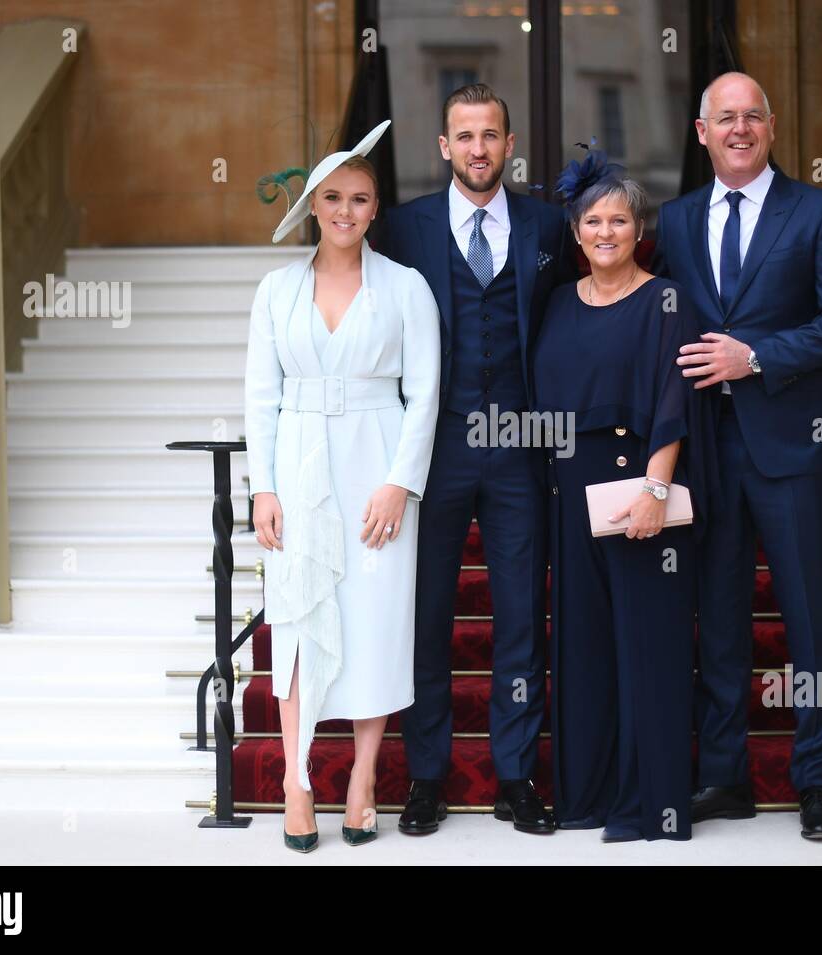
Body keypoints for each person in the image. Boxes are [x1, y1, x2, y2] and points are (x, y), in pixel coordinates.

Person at [652, 72, 822, 840]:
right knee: (720, 620)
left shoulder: (817, 211)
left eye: (753, 117)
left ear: (771, 129)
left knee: (813, 619)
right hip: (708, 453)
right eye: (725, 118)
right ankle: (725, 775)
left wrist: (759, 357)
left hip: (795, 451)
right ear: (702, 132)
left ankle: (816, 781)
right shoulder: (674, 223)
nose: (739, 129)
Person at [379, 83, 577, 835]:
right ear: (443, 145)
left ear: (509, 141)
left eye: (491, 135)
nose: (479, 149)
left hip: (521, 447)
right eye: (464, 136)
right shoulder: (402, 230)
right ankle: (426, 775)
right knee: (426, 614)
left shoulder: (548, 226)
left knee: (521, 616)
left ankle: (516, 775)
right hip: (433, 449)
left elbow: (567, 320)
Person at [244, 120, 441, 853]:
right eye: (333, 197)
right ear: (314, 204)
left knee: (376, 621)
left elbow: (424, 394)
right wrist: (263, 489)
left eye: (360, 198)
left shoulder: (406, 288)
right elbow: (260, 397)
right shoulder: (275, 290)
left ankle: (360, 781)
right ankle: (297, 781)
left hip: (375, 464)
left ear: (374, 207)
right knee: (296, 621)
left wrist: (399, 485)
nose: (346, 211)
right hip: (296, 465)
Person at [533, 151, 716, 842]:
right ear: (576, 234)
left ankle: (651, 804)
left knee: (651, 644)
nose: (605, 231)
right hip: (571, 485)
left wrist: (655, 486)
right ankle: (588, 793)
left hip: (642, 483)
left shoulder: (669, 299)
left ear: (639, 229)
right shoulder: (556, 302)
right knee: (583, 645)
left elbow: (676, 401)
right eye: (592, 221)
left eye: (618, 219)